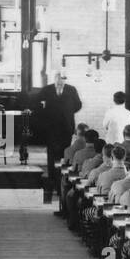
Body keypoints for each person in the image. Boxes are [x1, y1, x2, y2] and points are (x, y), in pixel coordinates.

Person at [36, 70, 82, 207]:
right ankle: (52, 181)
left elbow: (78, 105)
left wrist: (67, 111)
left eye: (62, 79)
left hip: (66, 127)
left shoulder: (71, 89)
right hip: (51, 127)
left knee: (64, 153)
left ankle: (61, 181)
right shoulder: (47, 89)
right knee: (52, 154)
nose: (60, 82)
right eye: (58, 79)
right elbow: (37, 103)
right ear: (54, 79)